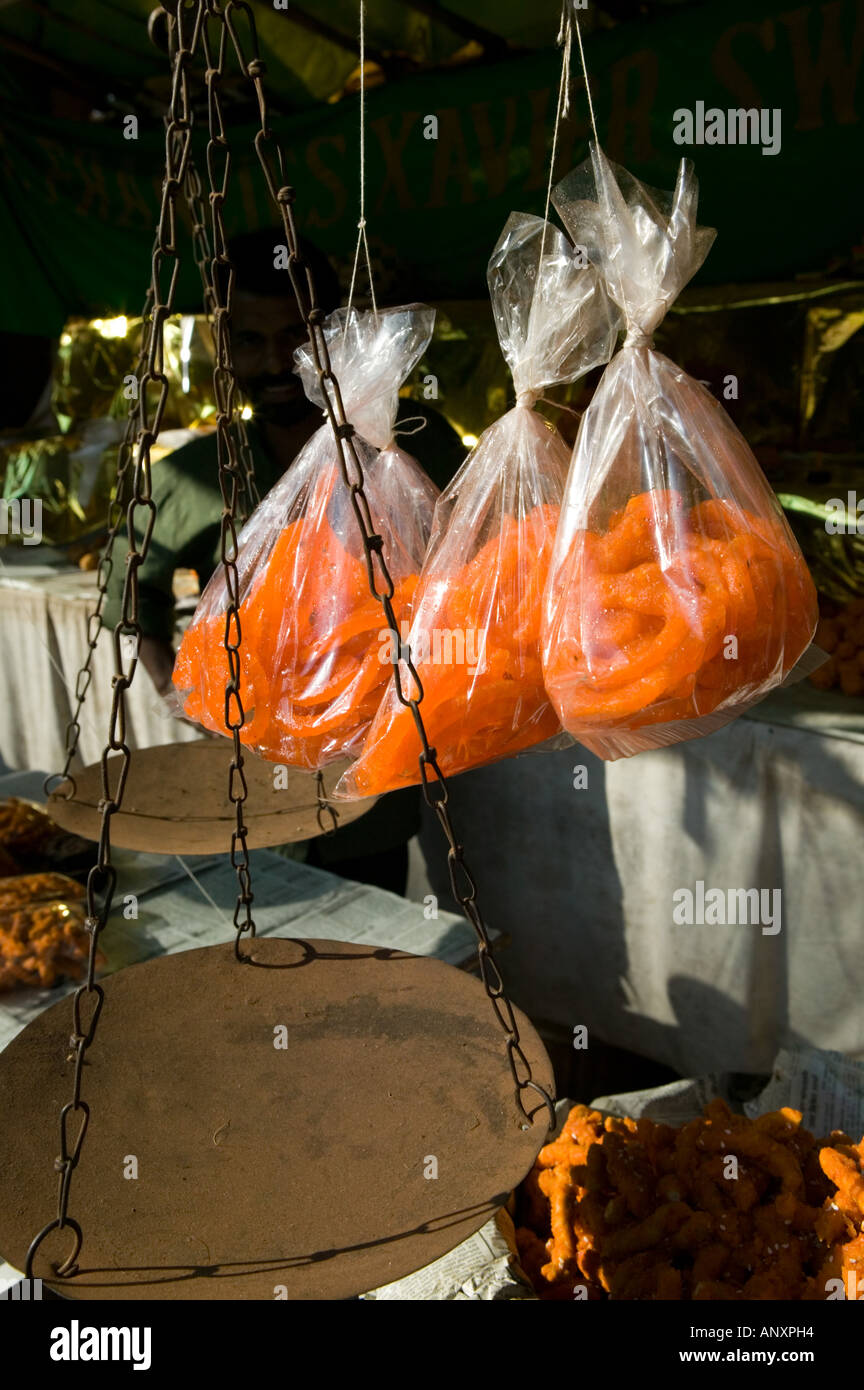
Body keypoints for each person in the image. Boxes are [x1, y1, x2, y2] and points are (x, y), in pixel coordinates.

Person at [102, 229, 465, 894]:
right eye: (248, 340)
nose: (274, 364)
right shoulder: (192, 475)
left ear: (333, 336)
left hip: (376, 785)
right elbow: (127, 591)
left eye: (298, 339)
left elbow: (491, 576)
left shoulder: (415, 447)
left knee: (368, 945)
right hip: (247, 787)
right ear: (221, 343)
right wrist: (178, 694)